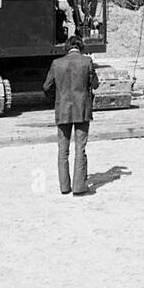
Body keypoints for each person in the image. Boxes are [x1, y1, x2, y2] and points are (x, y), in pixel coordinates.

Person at [43, 36, 99, 196]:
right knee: (80, 148)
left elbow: (46, 86)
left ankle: (65, 187)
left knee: (63, 150)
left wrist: (57, 98)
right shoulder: (86, 61)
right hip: (82, 109)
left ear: (66, 48)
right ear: (80, 47)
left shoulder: (56, 63)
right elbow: (95, 84)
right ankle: (79, 186)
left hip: (62, 109)